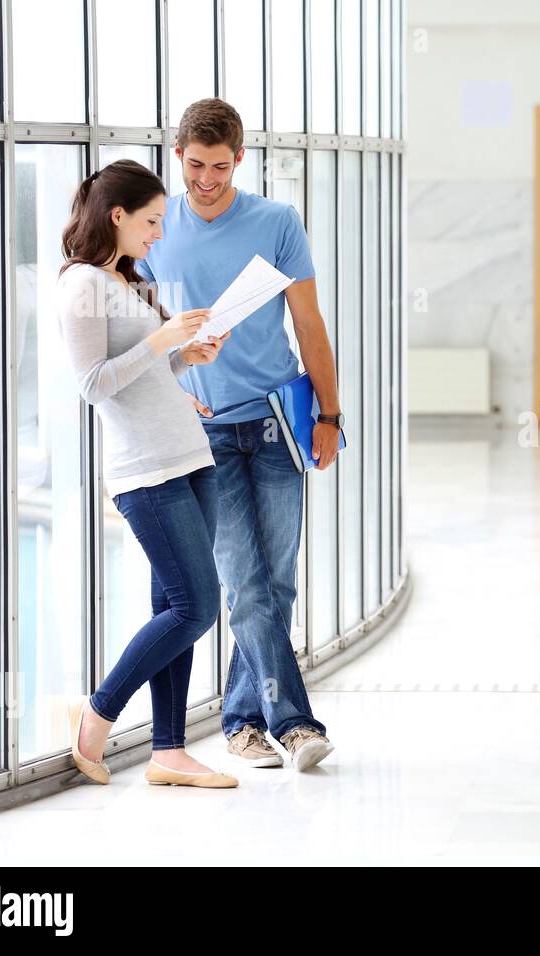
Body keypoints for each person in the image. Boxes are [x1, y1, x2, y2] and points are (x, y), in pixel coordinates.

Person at [136, 98, 338, 770]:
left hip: (278, 421)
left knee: (277, 583)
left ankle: (240, 723)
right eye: (195, 165)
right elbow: (140, 335)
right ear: (178, 156)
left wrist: (331, 416)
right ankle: (298, 724)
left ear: (240, 159)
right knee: (244, 585)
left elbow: (308, 324)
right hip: (204, 432)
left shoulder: (277, 222)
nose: (207, 179)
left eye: (220, 166)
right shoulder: (158, 231)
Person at [58, 159, 236, 789]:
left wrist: (187, 354)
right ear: (119, 216)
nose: (159, 233)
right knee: (196, 607)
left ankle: (169, 751)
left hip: (190, 458)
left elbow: (148, 377)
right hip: (145, 470)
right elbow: (93, 385)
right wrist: (162, 342)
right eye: (153, 221)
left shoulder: (128, 280)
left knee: (173, 603)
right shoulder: (82, 285)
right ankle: (98, 714)